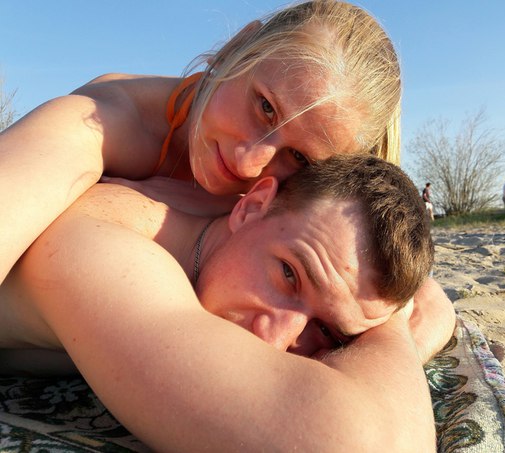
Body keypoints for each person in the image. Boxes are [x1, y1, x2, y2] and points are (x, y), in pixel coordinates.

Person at [1, 155, 449, 451]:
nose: (273, 339)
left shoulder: (231, 234)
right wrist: (398, 327)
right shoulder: (112, 251)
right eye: (289, 275)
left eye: (328, 332)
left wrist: (385, 317)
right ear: (251, 207)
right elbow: (373, 443)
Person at [0, 0, 402, 286]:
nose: (248, 163)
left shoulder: (298, 198)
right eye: (265, 107)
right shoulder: (98, 121)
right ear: (234, 48)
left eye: (298, 156)